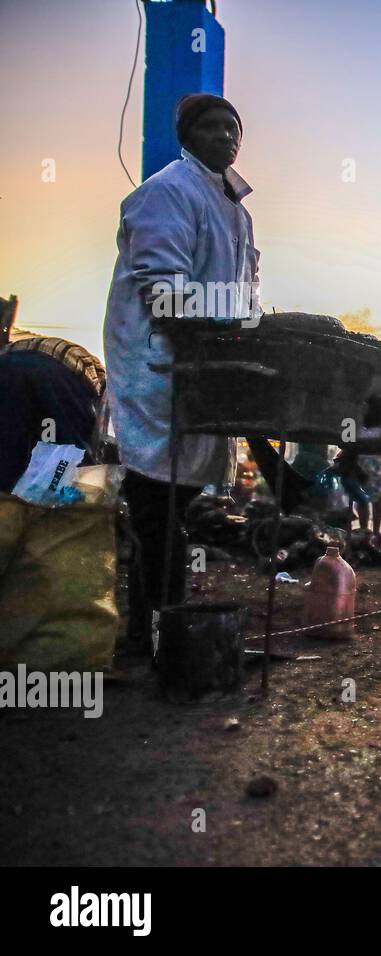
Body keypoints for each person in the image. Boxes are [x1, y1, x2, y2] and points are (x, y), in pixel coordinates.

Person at [102, 92, 260, 645]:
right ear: (188, 137)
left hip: (203, 370)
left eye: (232, 127)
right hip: (160, 368)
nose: (225, 136)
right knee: (155, 502)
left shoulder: (236, 209)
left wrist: (247, 334)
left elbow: (245, 293)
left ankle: (159, 623)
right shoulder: (167, 191)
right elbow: (163, 290)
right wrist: (220, 334)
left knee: (177, 502)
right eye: (212, 127)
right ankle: (151, 631)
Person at [0, 331, 105, 494]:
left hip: (6, 363)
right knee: (70, 452)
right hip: (56, 370)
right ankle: (63, 506)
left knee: (9, 446)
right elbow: (88, 432)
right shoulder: (100, 386)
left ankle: (8, 503)